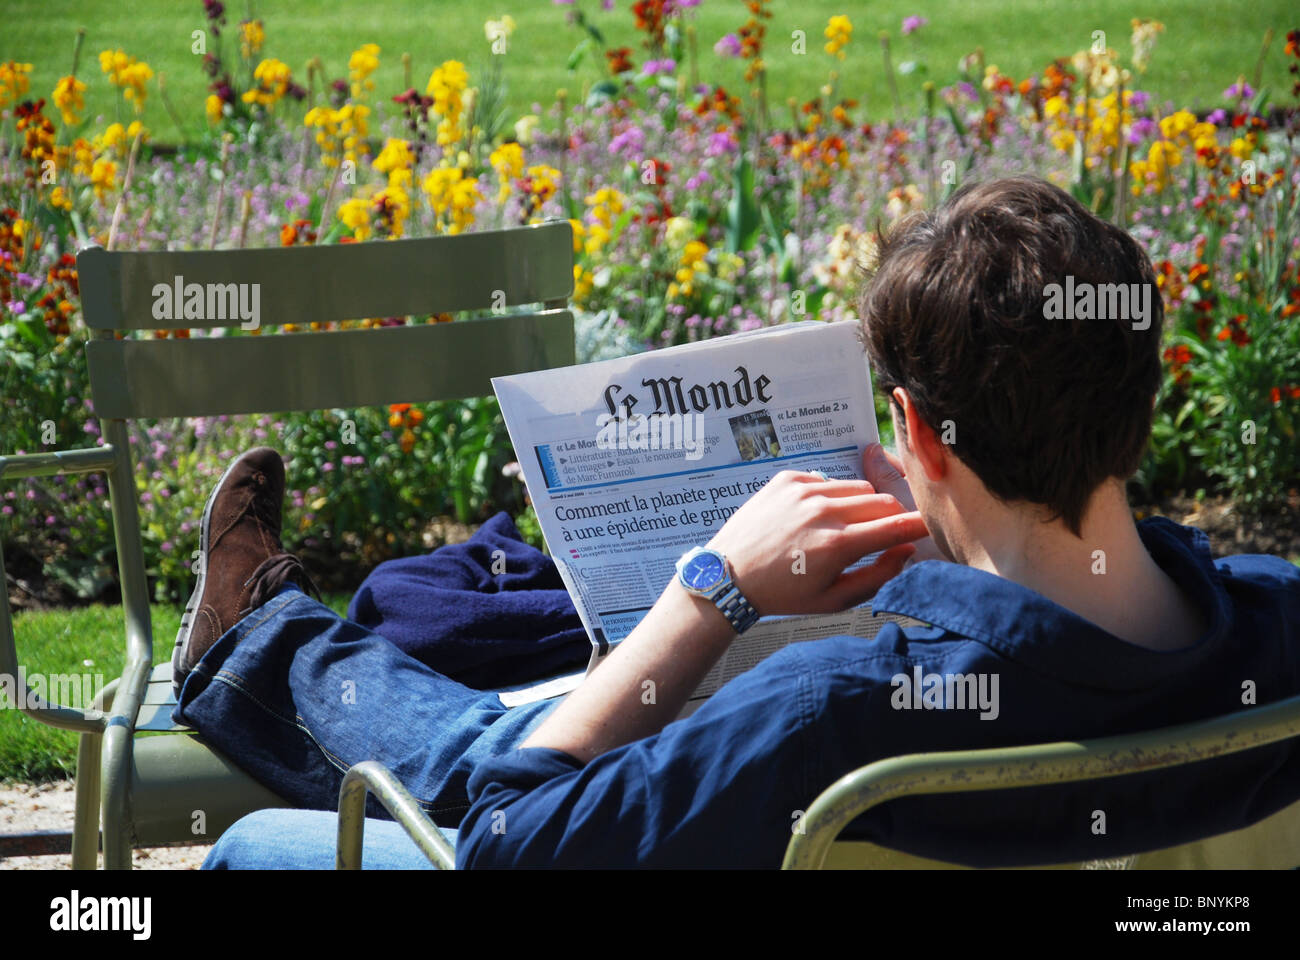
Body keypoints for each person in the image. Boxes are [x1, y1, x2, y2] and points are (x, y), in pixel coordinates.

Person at [191, 177, 1300, 869]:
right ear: (1142, 396)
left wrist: (709, 593)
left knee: (254, 846)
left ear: (910, 432)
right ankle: (262, 638)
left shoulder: (825, 717)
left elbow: (505, 845)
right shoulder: (1280, 631)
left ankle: (259, 643)